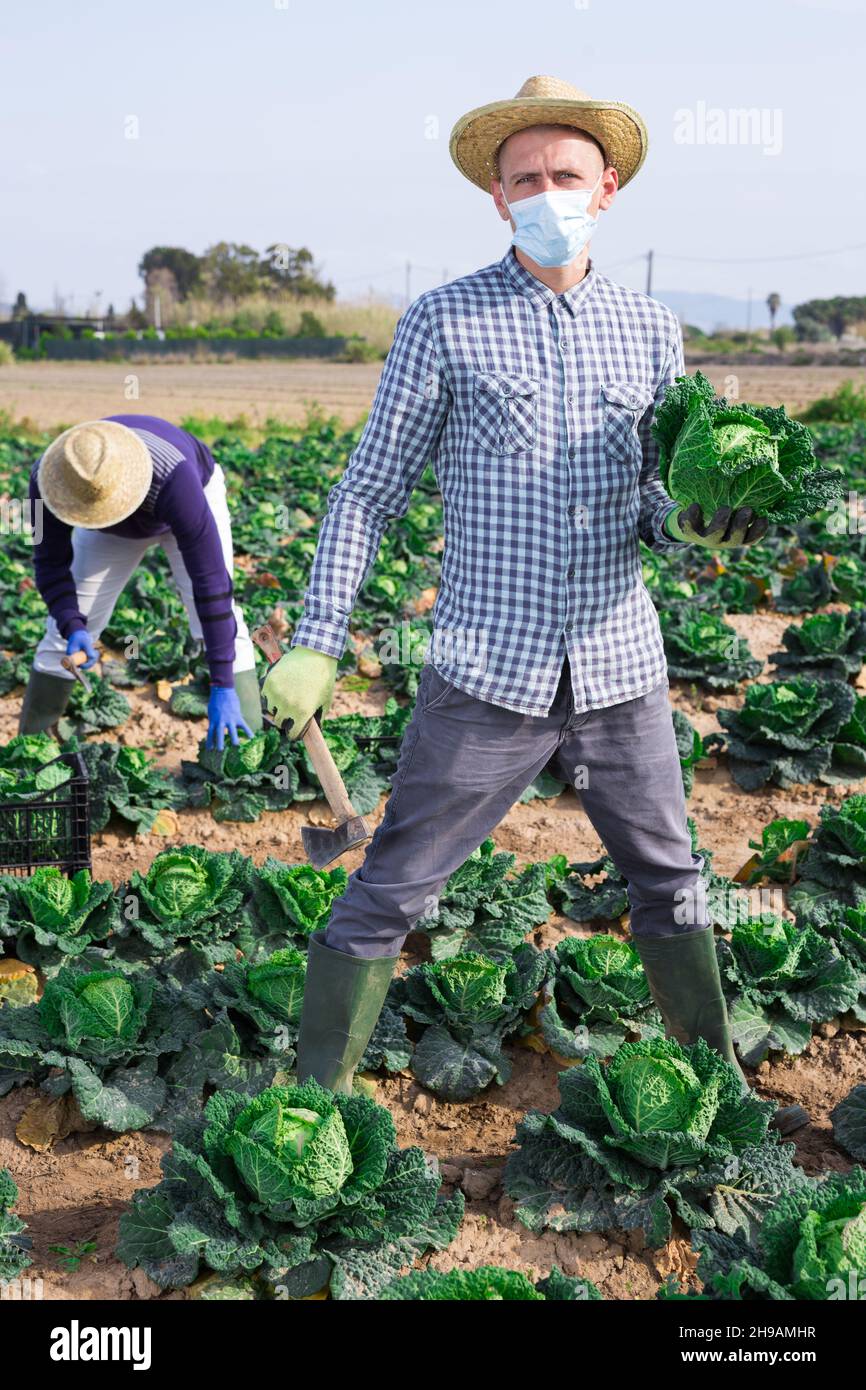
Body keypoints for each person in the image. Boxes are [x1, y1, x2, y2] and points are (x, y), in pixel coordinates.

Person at [260, 75, 798, 1128]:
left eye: (565, 174)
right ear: (496, 198)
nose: (545, 191)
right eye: (523, 179)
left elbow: (656, 496)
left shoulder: (649, 331)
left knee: (671, 879)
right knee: (392, 888)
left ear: (606, 188)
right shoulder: (443, 321)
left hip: (618, 670)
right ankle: (309, 1108)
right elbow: (368, 491)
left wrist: (690, 521)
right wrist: (319, 639)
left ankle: (719, 1089)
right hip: (485, 668)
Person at [21, 414, 262, 748]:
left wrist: (222, 686)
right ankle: (32, 754)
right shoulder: (47, 480)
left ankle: (246, 746)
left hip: (186, 495)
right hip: (109, 529)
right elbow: (48, 565)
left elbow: (211, 584)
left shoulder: (175, 479)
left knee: (216, 617)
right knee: (63, 634)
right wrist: (73, 626)